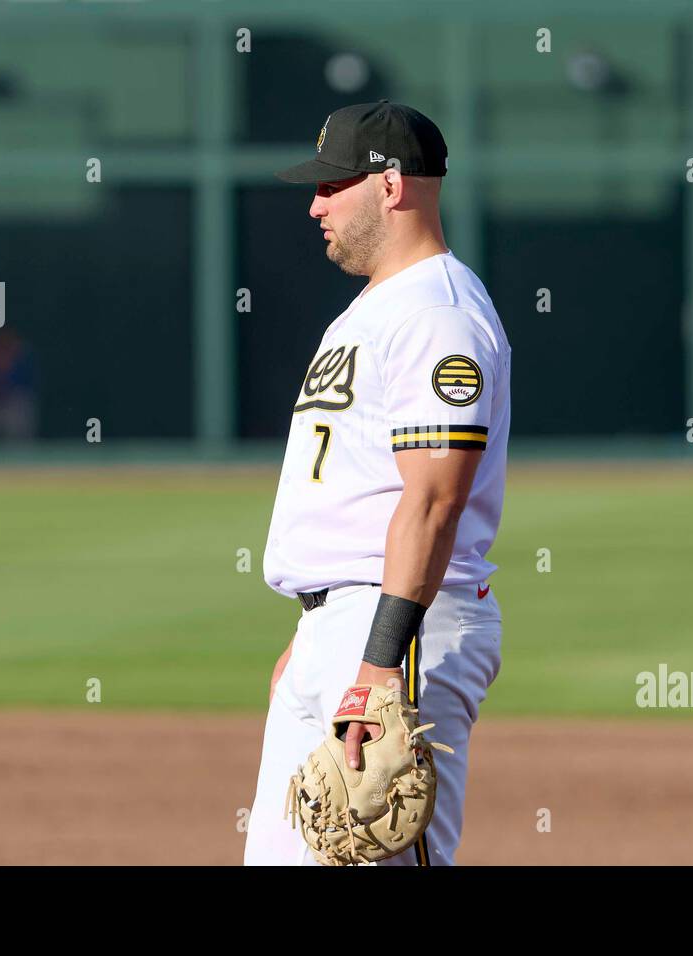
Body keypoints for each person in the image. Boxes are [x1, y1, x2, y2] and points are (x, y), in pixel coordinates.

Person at [243, 101, 512, 866]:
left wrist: (377, 662)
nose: (314, 203)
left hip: (399, 628)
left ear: (390, 186)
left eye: (333, 185)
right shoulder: (373, 308)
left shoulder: (439, 315)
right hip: (338, 625)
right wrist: (313, 636)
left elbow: (433, 500)